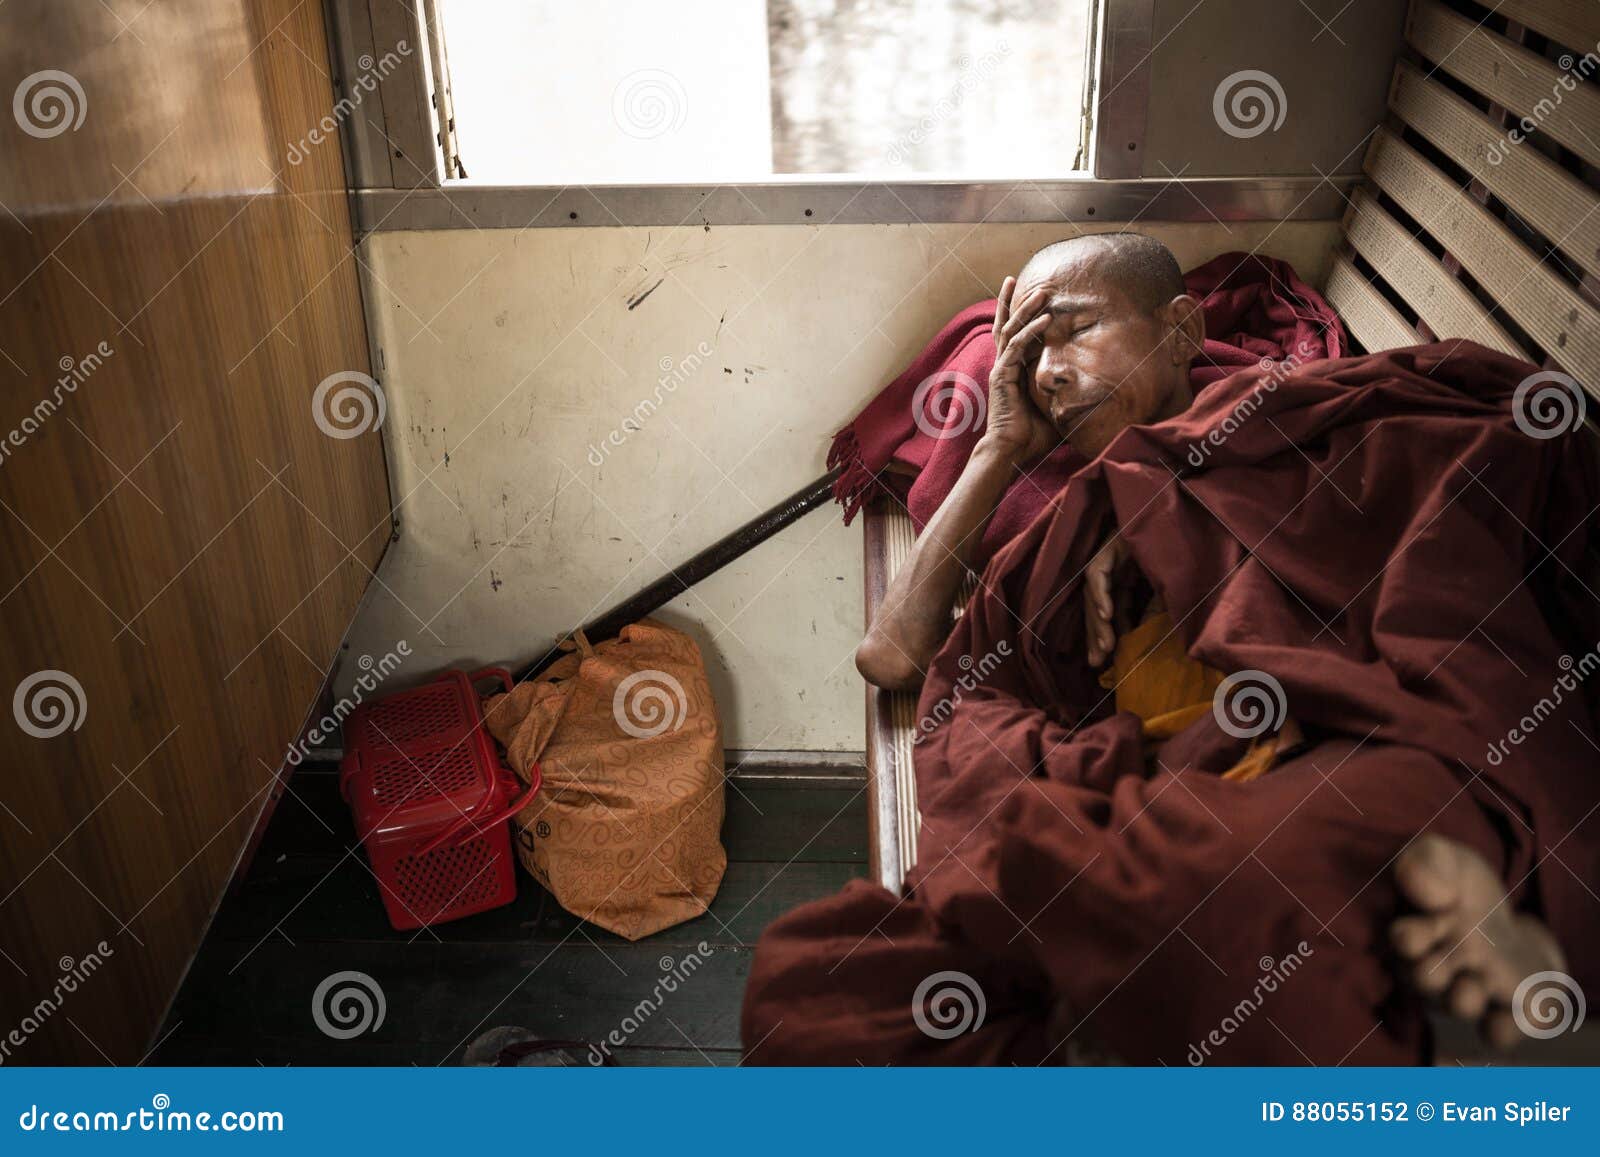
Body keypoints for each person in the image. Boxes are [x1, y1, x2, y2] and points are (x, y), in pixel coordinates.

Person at [845, 232, 1570, 1055]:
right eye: (1030, 354)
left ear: (1184, 331)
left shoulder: (1280, 418)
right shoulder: (1056, 496)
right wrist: (1000, 445)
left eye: (1074, 329)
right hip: (1193, 762)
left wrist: (1159, 490)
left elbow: (1461, 460)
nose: (1048, 372)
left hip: (1346, 719)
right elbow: (893, 655)